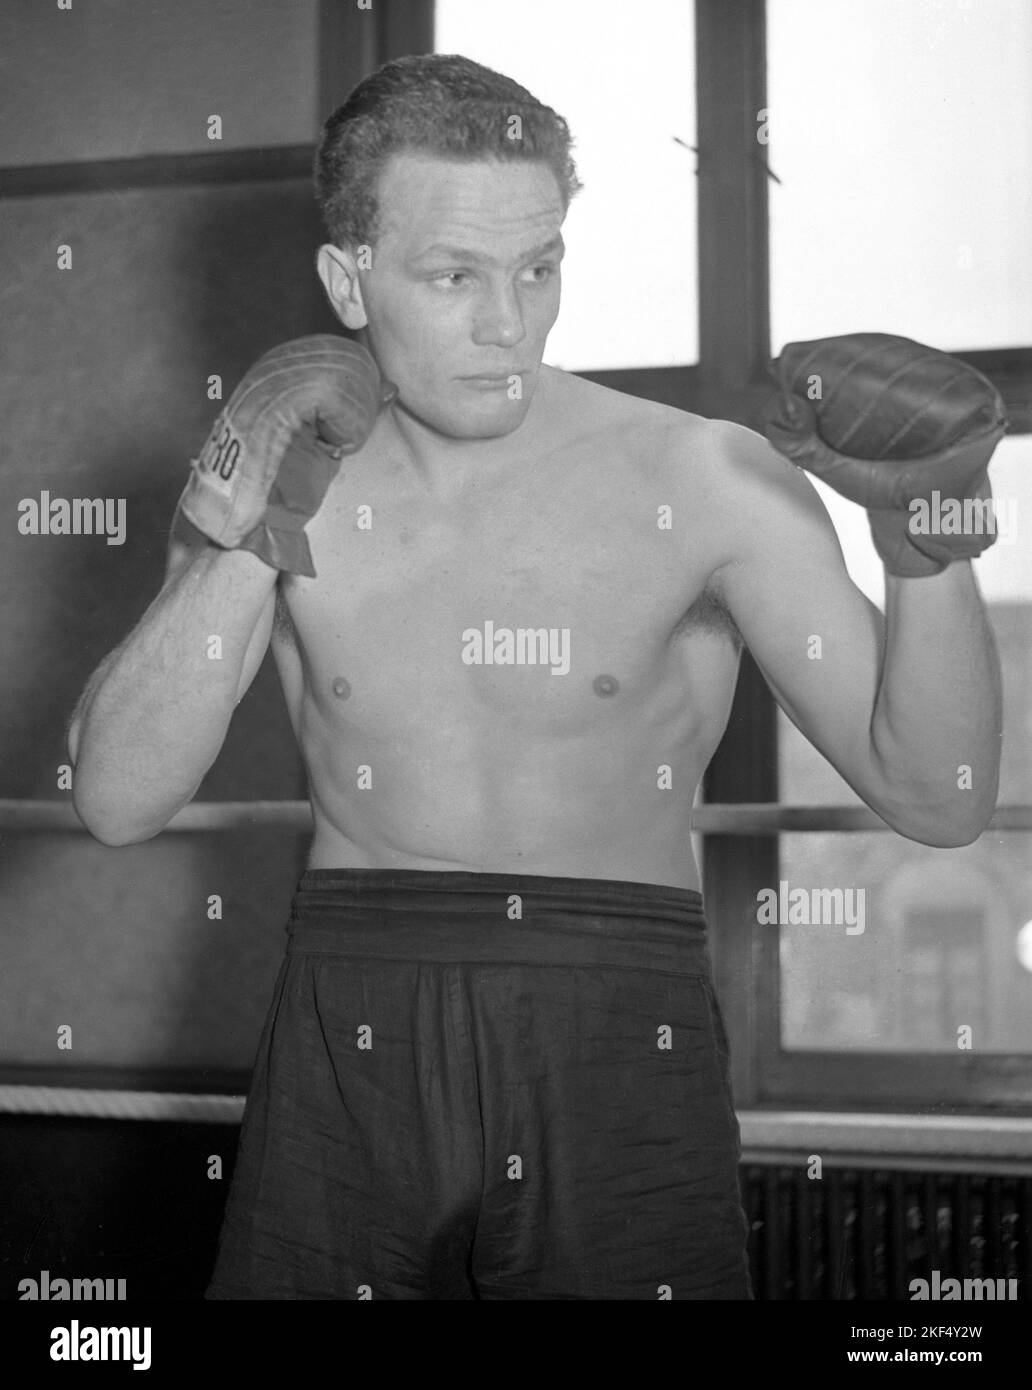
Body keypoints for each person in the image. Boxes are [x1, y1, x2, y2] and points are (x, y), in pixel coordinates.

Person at [67, 53, 1002, 1300]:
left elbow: (938, 797)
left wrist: (923, 546)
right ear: (349, 282)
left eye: (539, 267)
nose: (508, 322)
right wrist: (254, 530)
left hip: (619, 1029)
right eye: (453, 275)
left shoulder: (702, 479)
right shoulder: (275, 461)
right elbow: (116, 798)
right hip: (354, 1026)